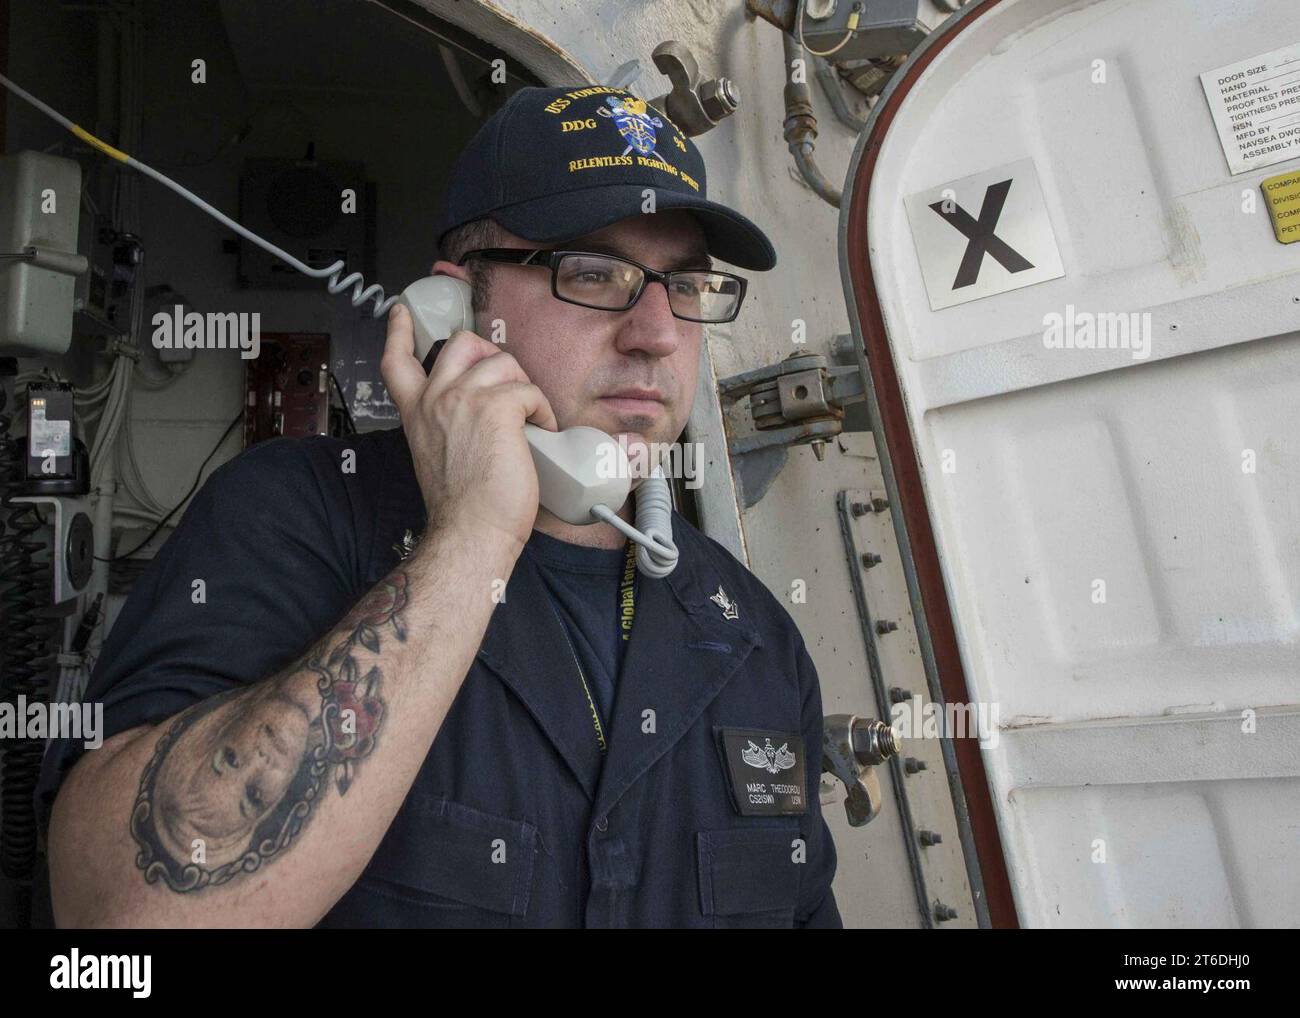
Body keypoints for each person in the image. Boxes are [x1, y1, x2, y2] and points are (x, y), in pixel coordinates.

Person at [36, 84, 842, 927]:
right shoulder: (291, 516)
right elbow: (122, 919)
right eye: (595, 273)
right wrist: (471, 538)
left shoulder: (754, 635)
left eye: (685, 286)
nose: (658, 333)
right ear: (456, 310)